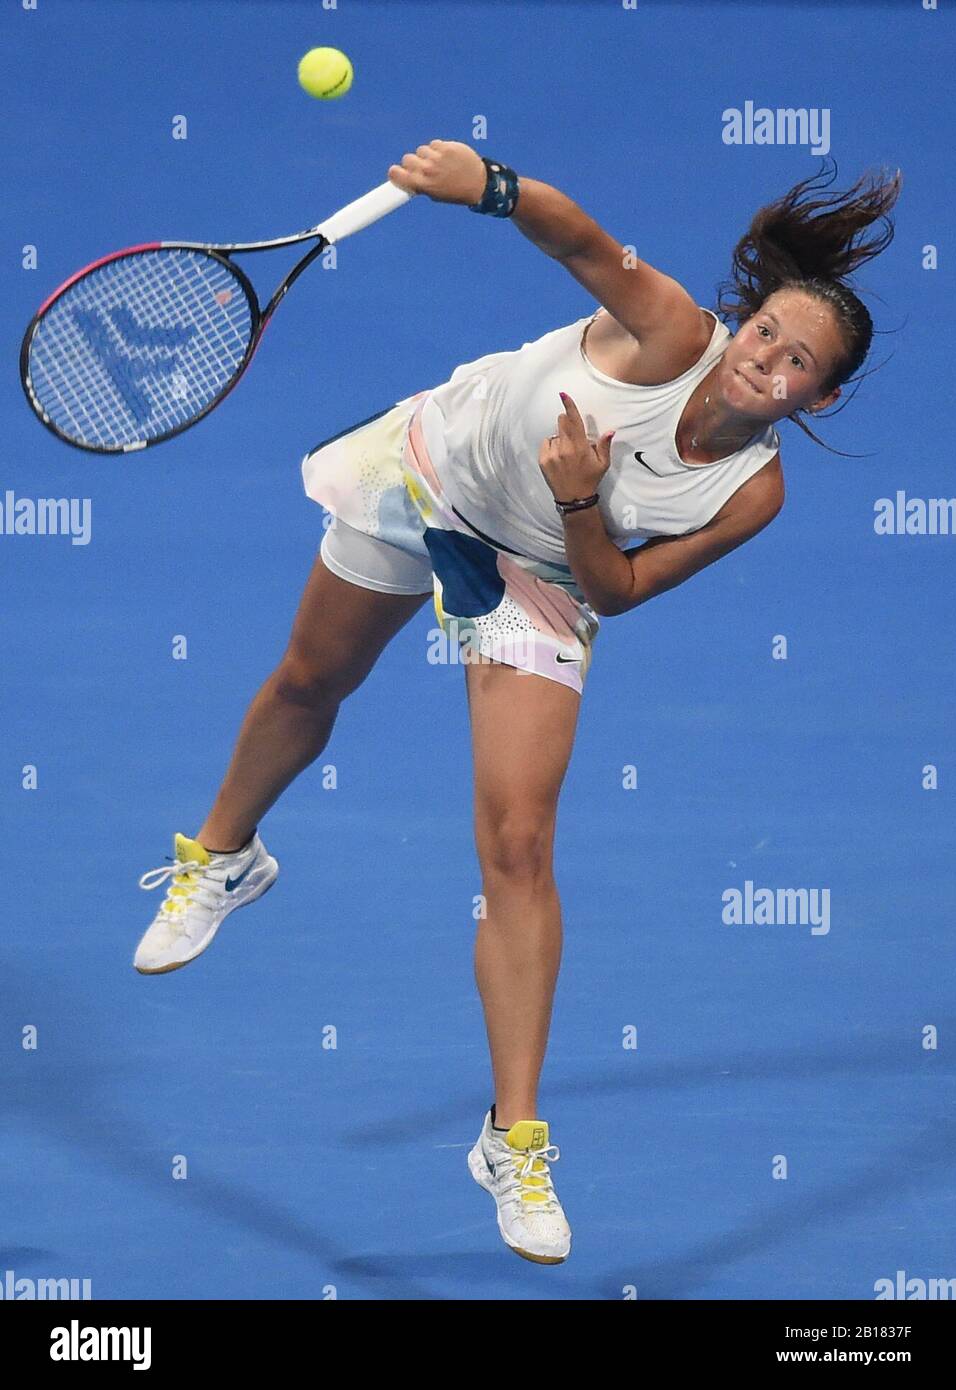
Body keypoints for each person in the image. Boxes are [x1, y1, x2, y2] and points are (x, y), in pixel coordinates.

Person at [133, 141, 901, 1265]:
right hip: (429, 475)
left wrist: (582, 495)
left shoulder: (753, 491)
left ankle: (513, 1136)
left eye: (798, 364)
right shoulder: (673, 330)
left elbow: (618, 589)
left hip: (541, 572)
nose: (766, 360)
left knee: (520, 843)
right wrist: (490, 187)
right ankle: (225, 855)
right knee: (311, 680)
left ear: (821, 396)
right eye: (765, 332)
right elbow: (579, 238)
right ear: (738, 324)